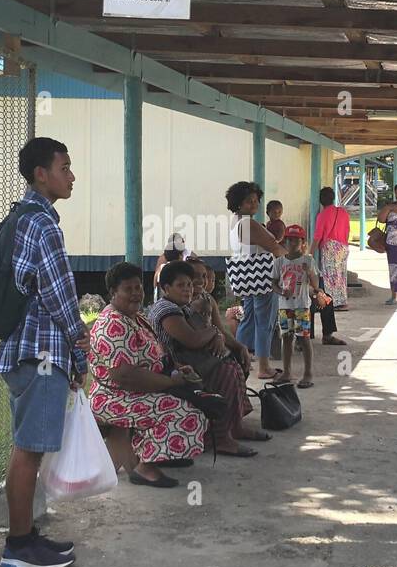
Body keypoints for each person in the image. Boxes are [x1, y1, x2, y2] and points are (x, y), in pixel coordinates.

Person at [0, 137, 87, 567]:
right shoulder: (43, 224)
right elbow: (58, 293)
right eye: (64, 167)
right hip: (41, 351)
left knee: (28, 447)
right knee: (28, 450)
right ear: (41, 174)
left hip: (25, 351)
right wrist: (79, 343)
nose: (71, 176)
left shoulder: (23, 216)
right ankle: (17, 544)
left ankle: (26, 535)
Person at [89, 262, 210, 486]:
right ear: (113, 293)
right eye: (129, 289)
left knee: (193, 399)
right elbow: (124, 375)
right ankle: (146, 466)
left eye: (139, 287)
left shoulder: (134, 316)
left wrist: (175, 371)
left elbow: (153, 355)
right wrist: (169, 382)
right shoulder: (113, 323)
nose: (136, 294)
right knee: (186, 411)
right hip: (113, 398)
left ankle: (157, 455)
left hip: (132, 392)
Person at [150, 260, 260, 456]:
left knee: (233, 364)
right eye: (181, 285)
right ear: (166, 288)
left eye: (189, 284)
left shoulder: (184, 305)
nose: (188, 289)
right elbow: (193, 339)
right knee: (225, 372)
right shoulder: (166, 310)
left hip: (188, 361)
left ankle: (234, 425)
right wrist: (213, 334)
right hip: (173, 367)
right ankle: (219, 438)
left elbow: (211, 332)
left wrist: (223, 339)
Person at [226, 181, 286, 381]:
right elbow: (275, 248)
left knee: (249, 319)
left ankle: (239, 361)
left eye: (255, 200)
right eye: (248, 201)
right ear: (238, 203)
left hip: (246, 278)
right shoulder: (249, 223)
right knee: (265, 321)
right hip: (263, 277)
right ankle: (264, 366)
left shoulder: (235, 221)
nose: (253, 204)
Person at [271, 224, 322, 388]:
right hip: (285, 306)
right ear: (284, 242)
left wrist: (309, 272)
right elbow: (273, 283)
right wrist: (280, 291)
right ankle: (287, 371)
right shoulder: (279, 262)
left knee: (304, 338)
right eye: (289, 240)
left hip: (302, 306)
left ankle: (308, 373)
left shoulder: (308, 260)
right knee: (286, 337)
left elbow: (315, 285)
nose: (292, 243)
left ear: (303, 242)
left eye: (296, 240)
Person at [313, 187, 350, 312]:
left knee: (330, 276)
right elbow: (347, 230)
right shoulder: (343, 212)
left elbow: (317, 237)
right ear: (333, 198)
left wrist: (309, 253)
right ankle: (342, 301)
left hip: (330, 247)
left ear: (320, 200)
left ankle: (333, 302)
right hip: (343, 247)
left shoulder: (322, 215)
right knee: (341, 275)